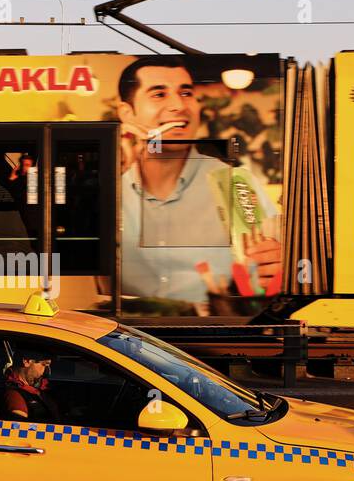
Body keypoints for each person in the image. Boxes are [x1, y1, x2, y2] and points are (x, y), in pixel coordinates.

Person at [116, 56, 283, 308]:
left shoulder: (233, 184)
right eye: (159, 94)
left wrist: (278, 262)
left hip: (213, 335)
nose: (178, 106)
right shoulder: (107, 188)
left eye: (186, 93)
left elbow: (271, 270)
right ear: (127, 113)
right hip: (122, 336)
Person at [1, 346, 58, 421]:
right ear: (26, 361)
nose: (44, 371)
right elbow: (19, 428)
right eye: (43, 365)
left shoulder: (38, 388)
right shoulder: (14, 395)